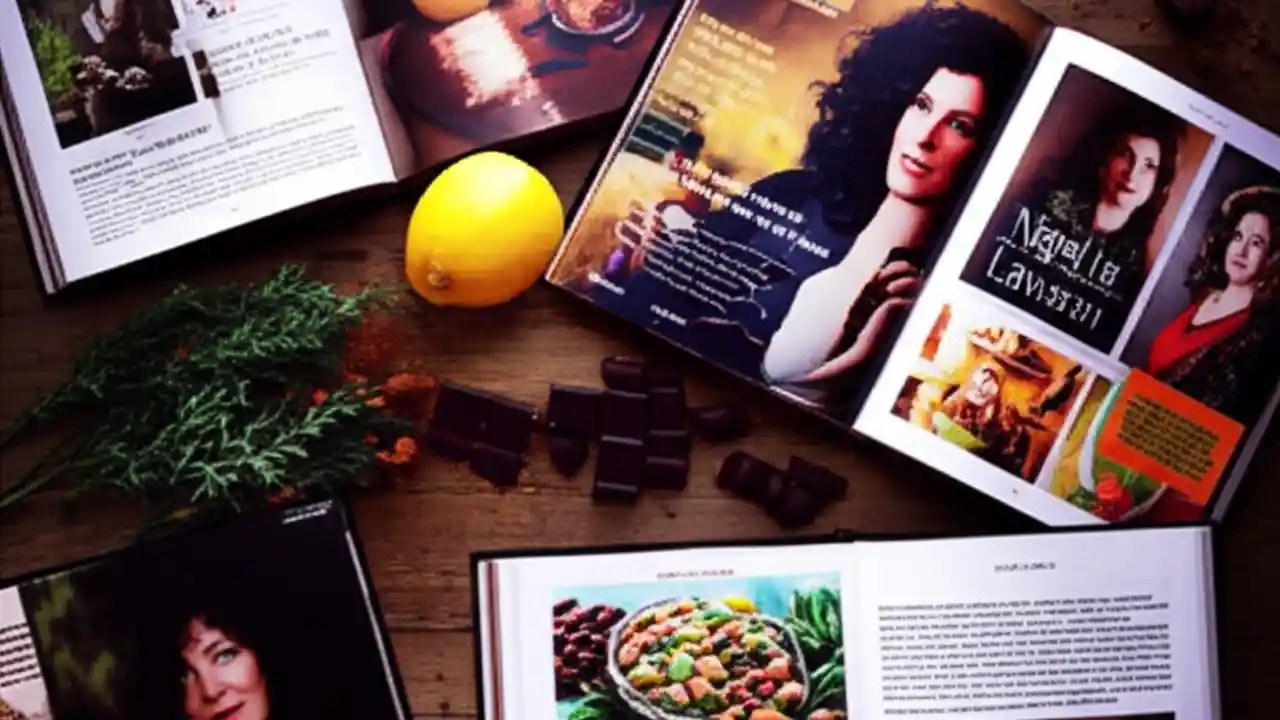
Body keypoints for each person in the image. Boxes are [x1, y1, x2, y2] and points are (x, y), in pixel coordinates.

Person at [591, 4, 1029, 418]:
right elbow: (655, 299)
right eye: (921, 105)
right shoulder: (793, 193)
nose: (926, 136)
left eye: (960, 125)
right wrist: (642, 258)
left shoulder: (931, 289)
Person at [965, 101, 1183, 349]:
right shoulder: (1043, 203)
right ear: (1105, 160)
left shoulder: (1132, 267)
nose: (1132, 173)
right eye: (1124, 154)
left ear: (1158, 183)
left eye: (1148, 166)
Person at [1146, 185, 1280, 423]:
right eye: (1238, 236)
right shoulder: (1204, 297)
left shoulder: (1255, 334)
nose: (1242, 249)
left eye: (1257, 242)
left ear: (1273, 258)